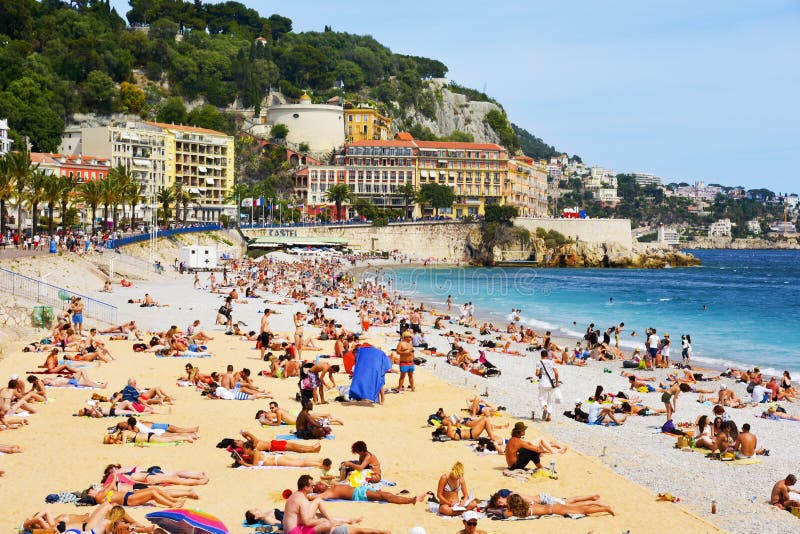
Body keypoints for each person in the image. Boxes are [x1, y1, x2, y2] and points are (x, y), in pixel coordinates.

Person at [312, 481, 426, 505]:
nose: (320, 483)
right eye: (318, 485)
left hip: (361, 489)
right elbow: (314, 498)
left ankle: (410, 499)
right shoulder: (326, 493)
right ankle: (412, 500)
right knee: (384, 496)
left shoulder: (331, 486)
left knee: (386, 494)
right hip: (358, 494)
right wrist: (307, 494)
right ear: (318, 490)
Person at [506, 492, 615, 518]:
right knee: (578, 508)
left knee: (581, 510)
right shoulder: (527, 505)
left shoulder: (520, 512)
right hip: (553, 506)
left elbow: (506, 514)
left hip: (555, 509)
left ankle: (605, 508)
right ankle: (599, 505)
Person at [535, 350, 558, 421]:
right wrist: (556, 382)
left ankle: (544, 408)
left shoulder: (539, 362)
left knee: (541, 398)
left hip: (543, 383)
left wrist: (539, 374)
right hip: (551, 383)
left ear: (541, 355)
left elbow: (537, 373)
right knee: (549, 400)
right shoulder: (552, 362)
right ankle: (549, 416)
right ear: (547, 355)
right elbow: (556, 373)